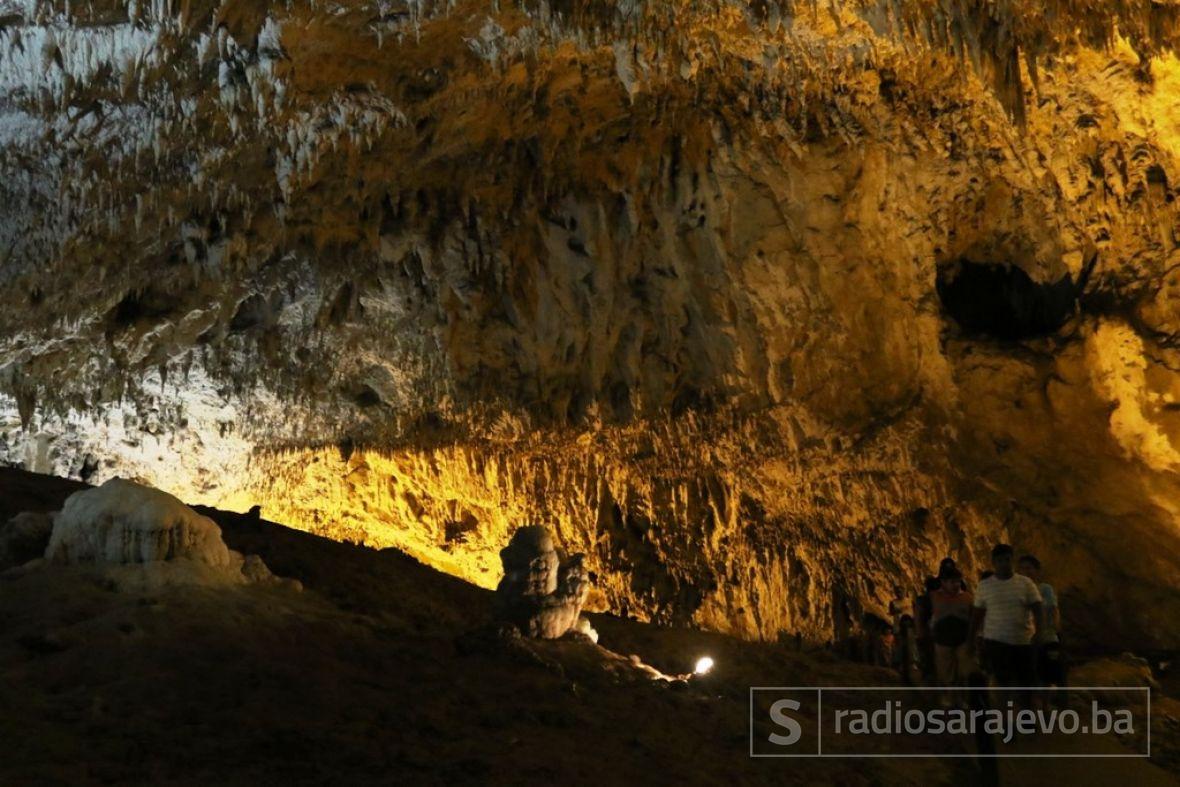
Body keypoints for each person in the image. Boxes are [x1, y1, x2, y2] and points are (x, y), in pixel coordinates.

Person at [969, 544, 1042, 705]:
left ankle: (1026, 716)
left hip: (1022, 640)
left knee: (1025, 681)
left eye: (1008, 560)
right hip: (996, 641)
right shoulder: (985, 586)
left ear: (1012, 561)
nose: (1005, 563)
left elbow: (1037, 608)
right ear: (994, 562)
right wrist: (971, 637)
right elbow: (977, 614)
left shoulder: (1025, 583)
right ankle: (1005, 719)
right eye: (1001, 560)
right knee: (1002, 680)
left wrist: (1040, 632)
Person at [1019, 554, 1065, 695]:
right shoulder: (1019, 591)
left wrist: (1054, 630)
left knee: (1048, 675)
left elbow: (1052, 610)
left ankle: (1048, 707)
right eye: (1022, 569)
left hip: (1046, 636)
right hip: (1026, 637)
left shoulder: (1045, 589)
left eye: (1029, 568)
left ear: (1037, 570)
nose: (1026, 572)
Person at [930, 567, 974, 707]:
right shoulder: (934, 597)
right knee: (947, 673)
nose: (956, 584)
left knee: (964, 671)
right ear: (943, 582)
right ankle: (951, 698)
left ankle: (962, 699)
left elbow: (973, 617)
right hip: (942, 640)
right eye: (952, 581)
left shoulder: (967, 597)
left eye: (958, 581)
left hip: (962, 640)